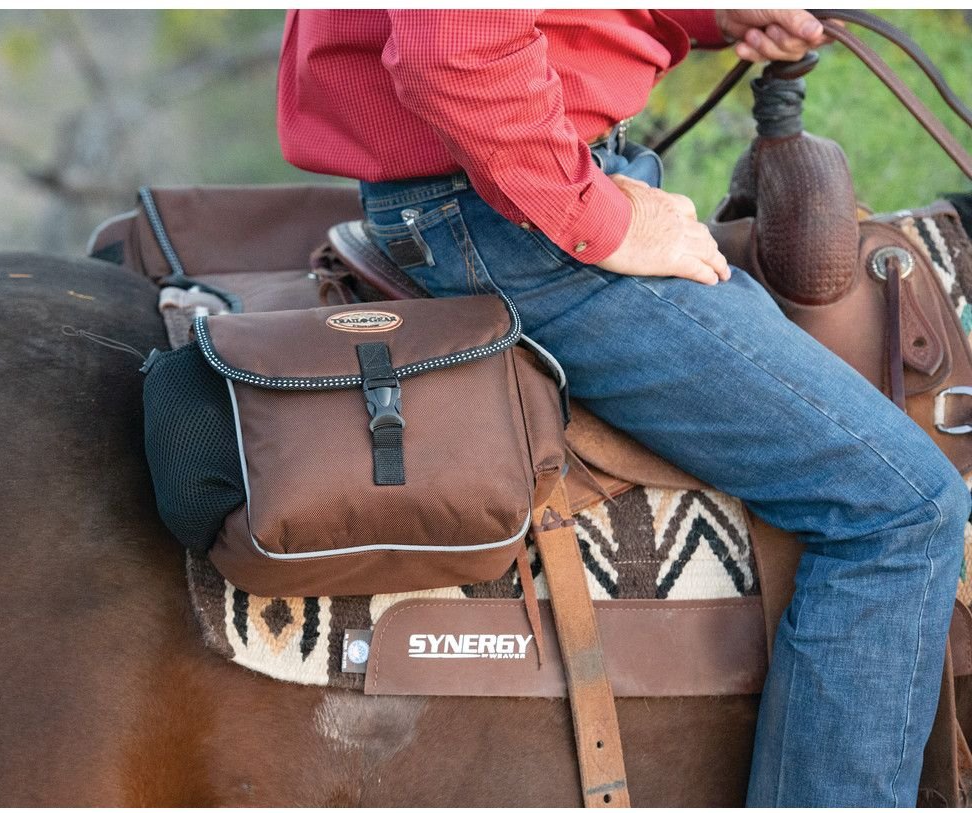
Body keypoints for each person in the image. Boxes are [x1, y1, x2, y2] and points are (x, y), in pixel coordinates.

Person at [277, 9, 972, 807]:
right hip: (508, 209)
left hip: (494, 184)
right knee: (903, 505)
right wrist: (600, 220)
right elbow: (452, 47)